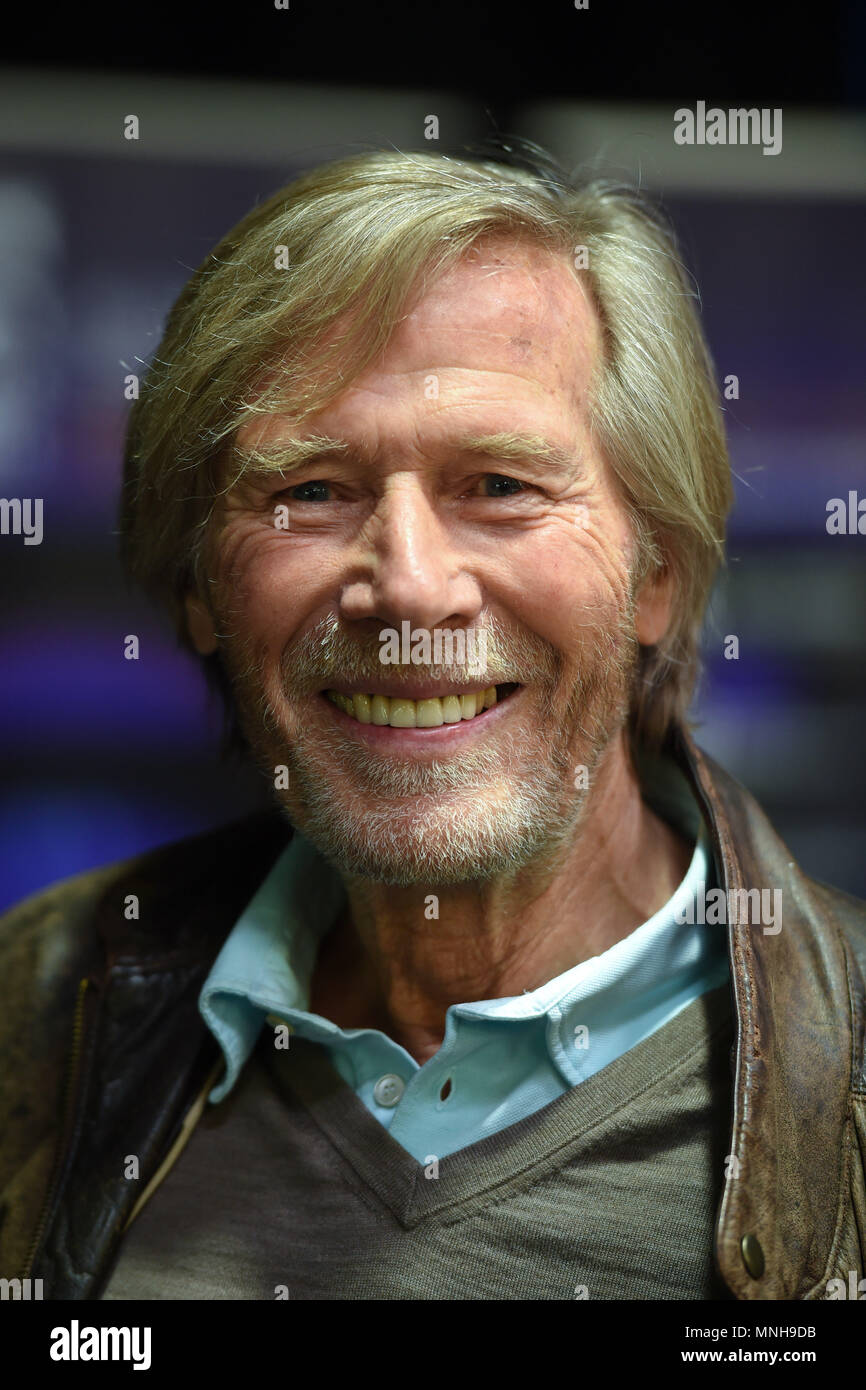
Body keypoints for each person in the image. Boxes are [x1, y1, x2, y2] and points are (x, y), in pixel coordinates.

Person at [2, 147, 864, 1302]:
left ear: (654, 566)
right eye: (310, 489)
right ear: (202, 589)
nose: (408, 587)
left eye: (499, 484)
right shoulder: (35, 1004)